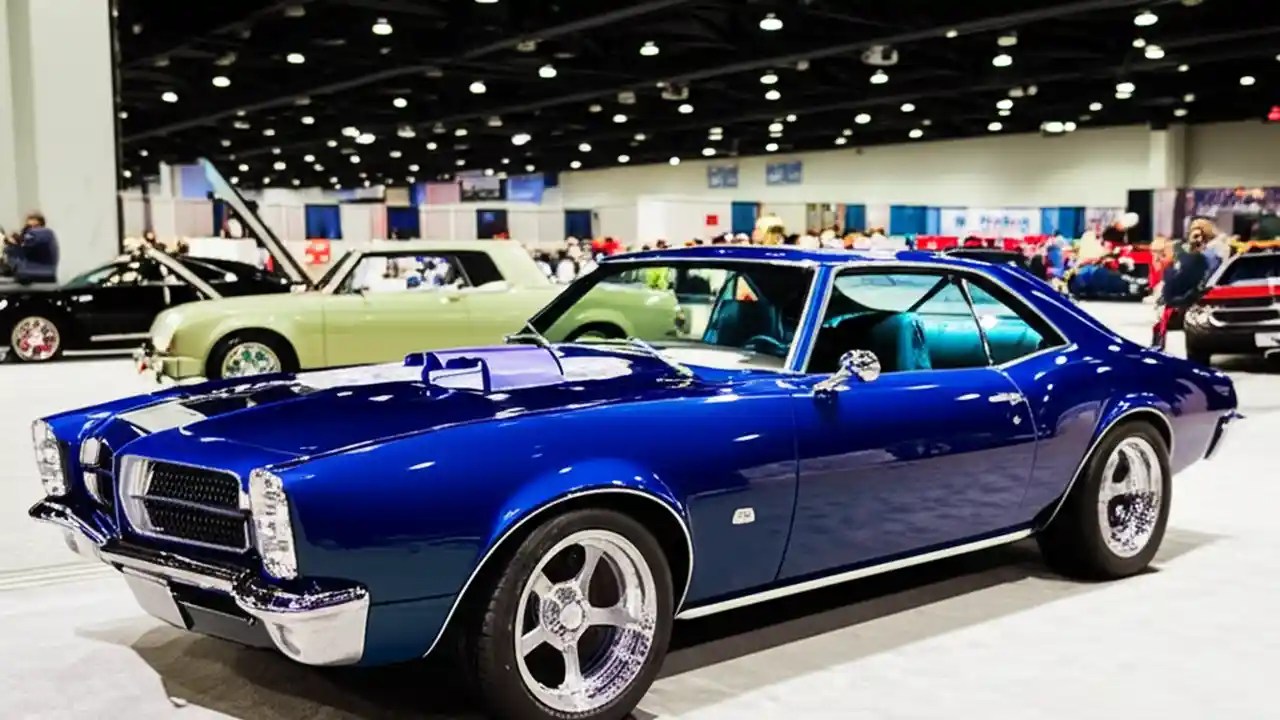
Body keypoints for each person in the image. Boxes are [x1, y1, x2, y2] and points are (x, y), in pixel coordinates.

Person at [1152, 219, 1214, 350]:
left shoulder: (1208, 256)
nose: (1196, 238)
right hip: (1174, 297)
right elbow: (1171, 273)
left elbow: (1205, 278)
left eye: (1200, 235)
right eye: (1194, 233)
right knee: (1161, 327)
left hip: (1190, 300)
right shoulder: (1180, 250)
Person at [2, 211, 60, 283]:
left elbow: (35, 239)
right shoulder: (28, 244)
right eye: (29, 227)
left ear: (42, 226)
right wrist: (13, 245)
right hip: (29, 272)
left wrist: (19, 240)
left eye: (36, 226)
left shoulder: (47, 235)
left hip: (44, 273)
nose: (32, 229)